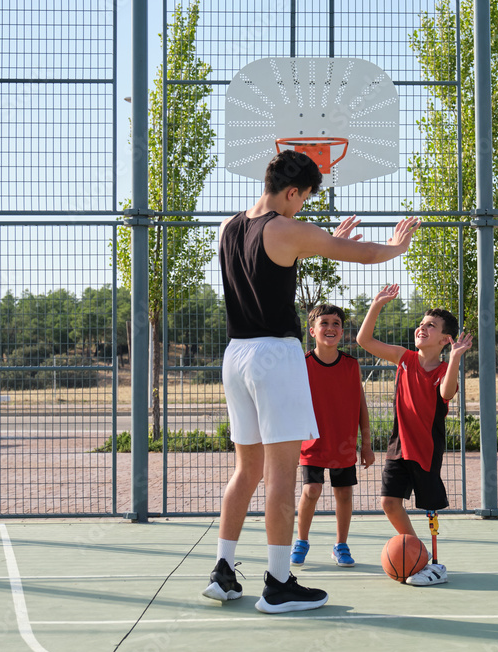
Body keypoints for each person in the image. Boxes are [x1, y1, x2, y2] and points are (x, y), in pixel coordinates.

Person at [202, 150, 419, 613]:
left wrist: (317, 239)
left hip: (236, 355)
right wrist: (397, 248)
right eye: (303, 201)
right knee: (282, 475)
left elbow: (273, 267)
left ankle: (223, 572)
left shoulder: (228, 226)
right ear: (293, 191)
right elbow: (362, 254)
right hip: (275, 356)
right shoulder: (286, 227)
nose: (302, 209)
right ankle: (278, 584)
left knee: (246, 471)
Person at [356, 284, 472, 586]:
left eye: (430, 326)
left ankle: (434, 565)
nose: (422, 327)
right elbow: (363, 339)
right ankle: (417, 555)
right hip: (398, 447)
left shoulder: (444, 369)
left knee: (430, 507)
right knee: (388, 502)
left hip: (427, 450)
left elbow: (446, 393)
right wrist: (377, 304)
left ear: (445, 339)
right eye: (421, 324)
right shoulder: (403, 358)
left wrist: (456, 357)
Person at [291, 303, 374, 568]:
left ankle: (341, 545)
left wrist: (367, 444)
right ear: (312, 330)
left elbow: (361, 404)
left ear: (342, 331)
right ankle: (301, 541)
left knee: (344, 494)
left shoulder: (351, 365)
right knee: (311, 490)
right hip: (312, 441)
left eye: (336, 323)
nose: (331, 327)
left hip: (344, 443)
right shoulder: (301, 364)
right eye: (324, 322)